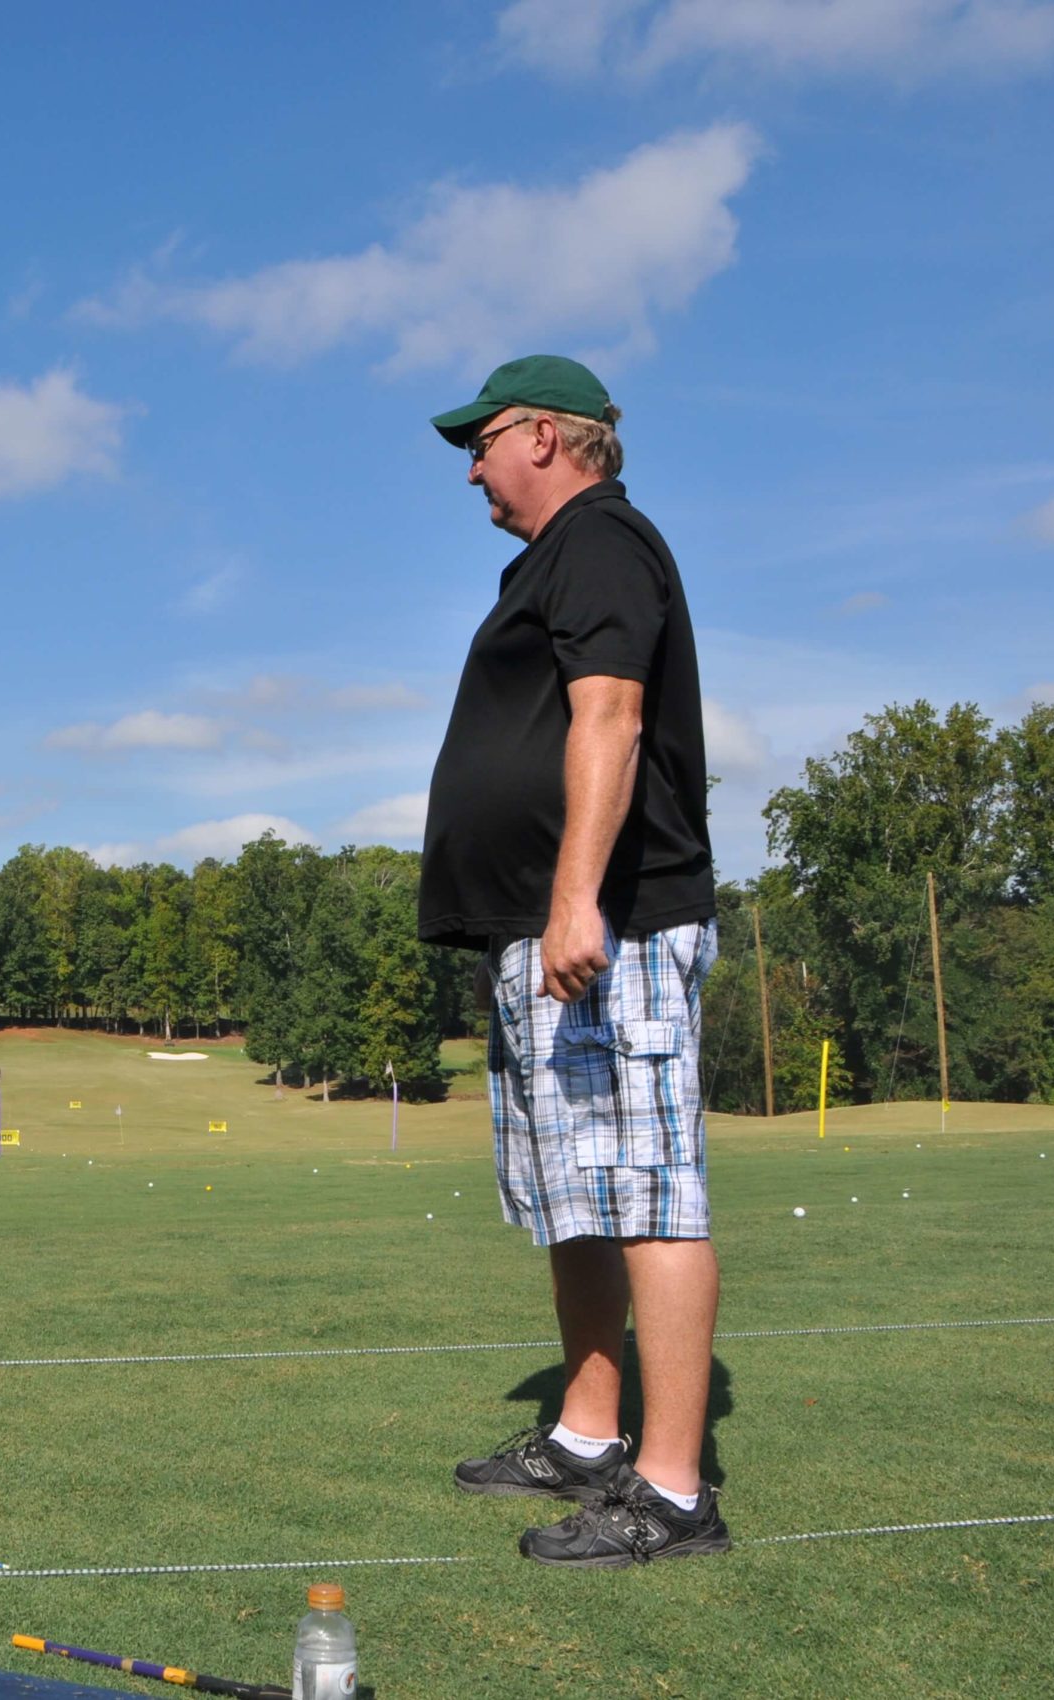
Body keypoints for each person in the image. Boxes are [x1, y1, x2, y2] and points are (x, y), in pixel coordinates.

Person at [416, 356, 727, 1565]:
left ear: (546, 435)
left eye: (480, 442)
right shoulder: (550, 559)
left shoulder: (603, 537)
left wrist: (575, 901)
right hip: (552, 932)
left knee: (646, 1188)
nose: (472, 468)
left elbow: (610, 713)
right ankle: (591, 1435)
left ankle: (672, 1488)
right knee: (576, 1194)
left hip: (614, 922)